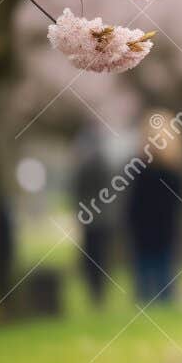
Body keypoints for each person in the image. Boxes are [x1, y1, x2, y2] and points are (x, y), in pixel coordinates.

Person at [123, 111, 182, 306]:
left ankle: (146, 306)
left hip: (142, 231)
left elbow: (133, 205)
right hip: (166, 230)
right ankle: (165, 305)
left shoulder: (139, 169)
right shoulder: (176, 171)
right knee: (164, 272)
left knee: (143, 275)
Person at [73, 122, 119, 308]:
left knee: (92, 257)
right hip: (102, 218)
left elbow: (78, 191)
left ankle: (96, 293)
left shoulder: (85, 165)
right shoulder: (105, 162)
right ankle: (99, 293)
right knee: (100, 256)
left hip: (92, 218)